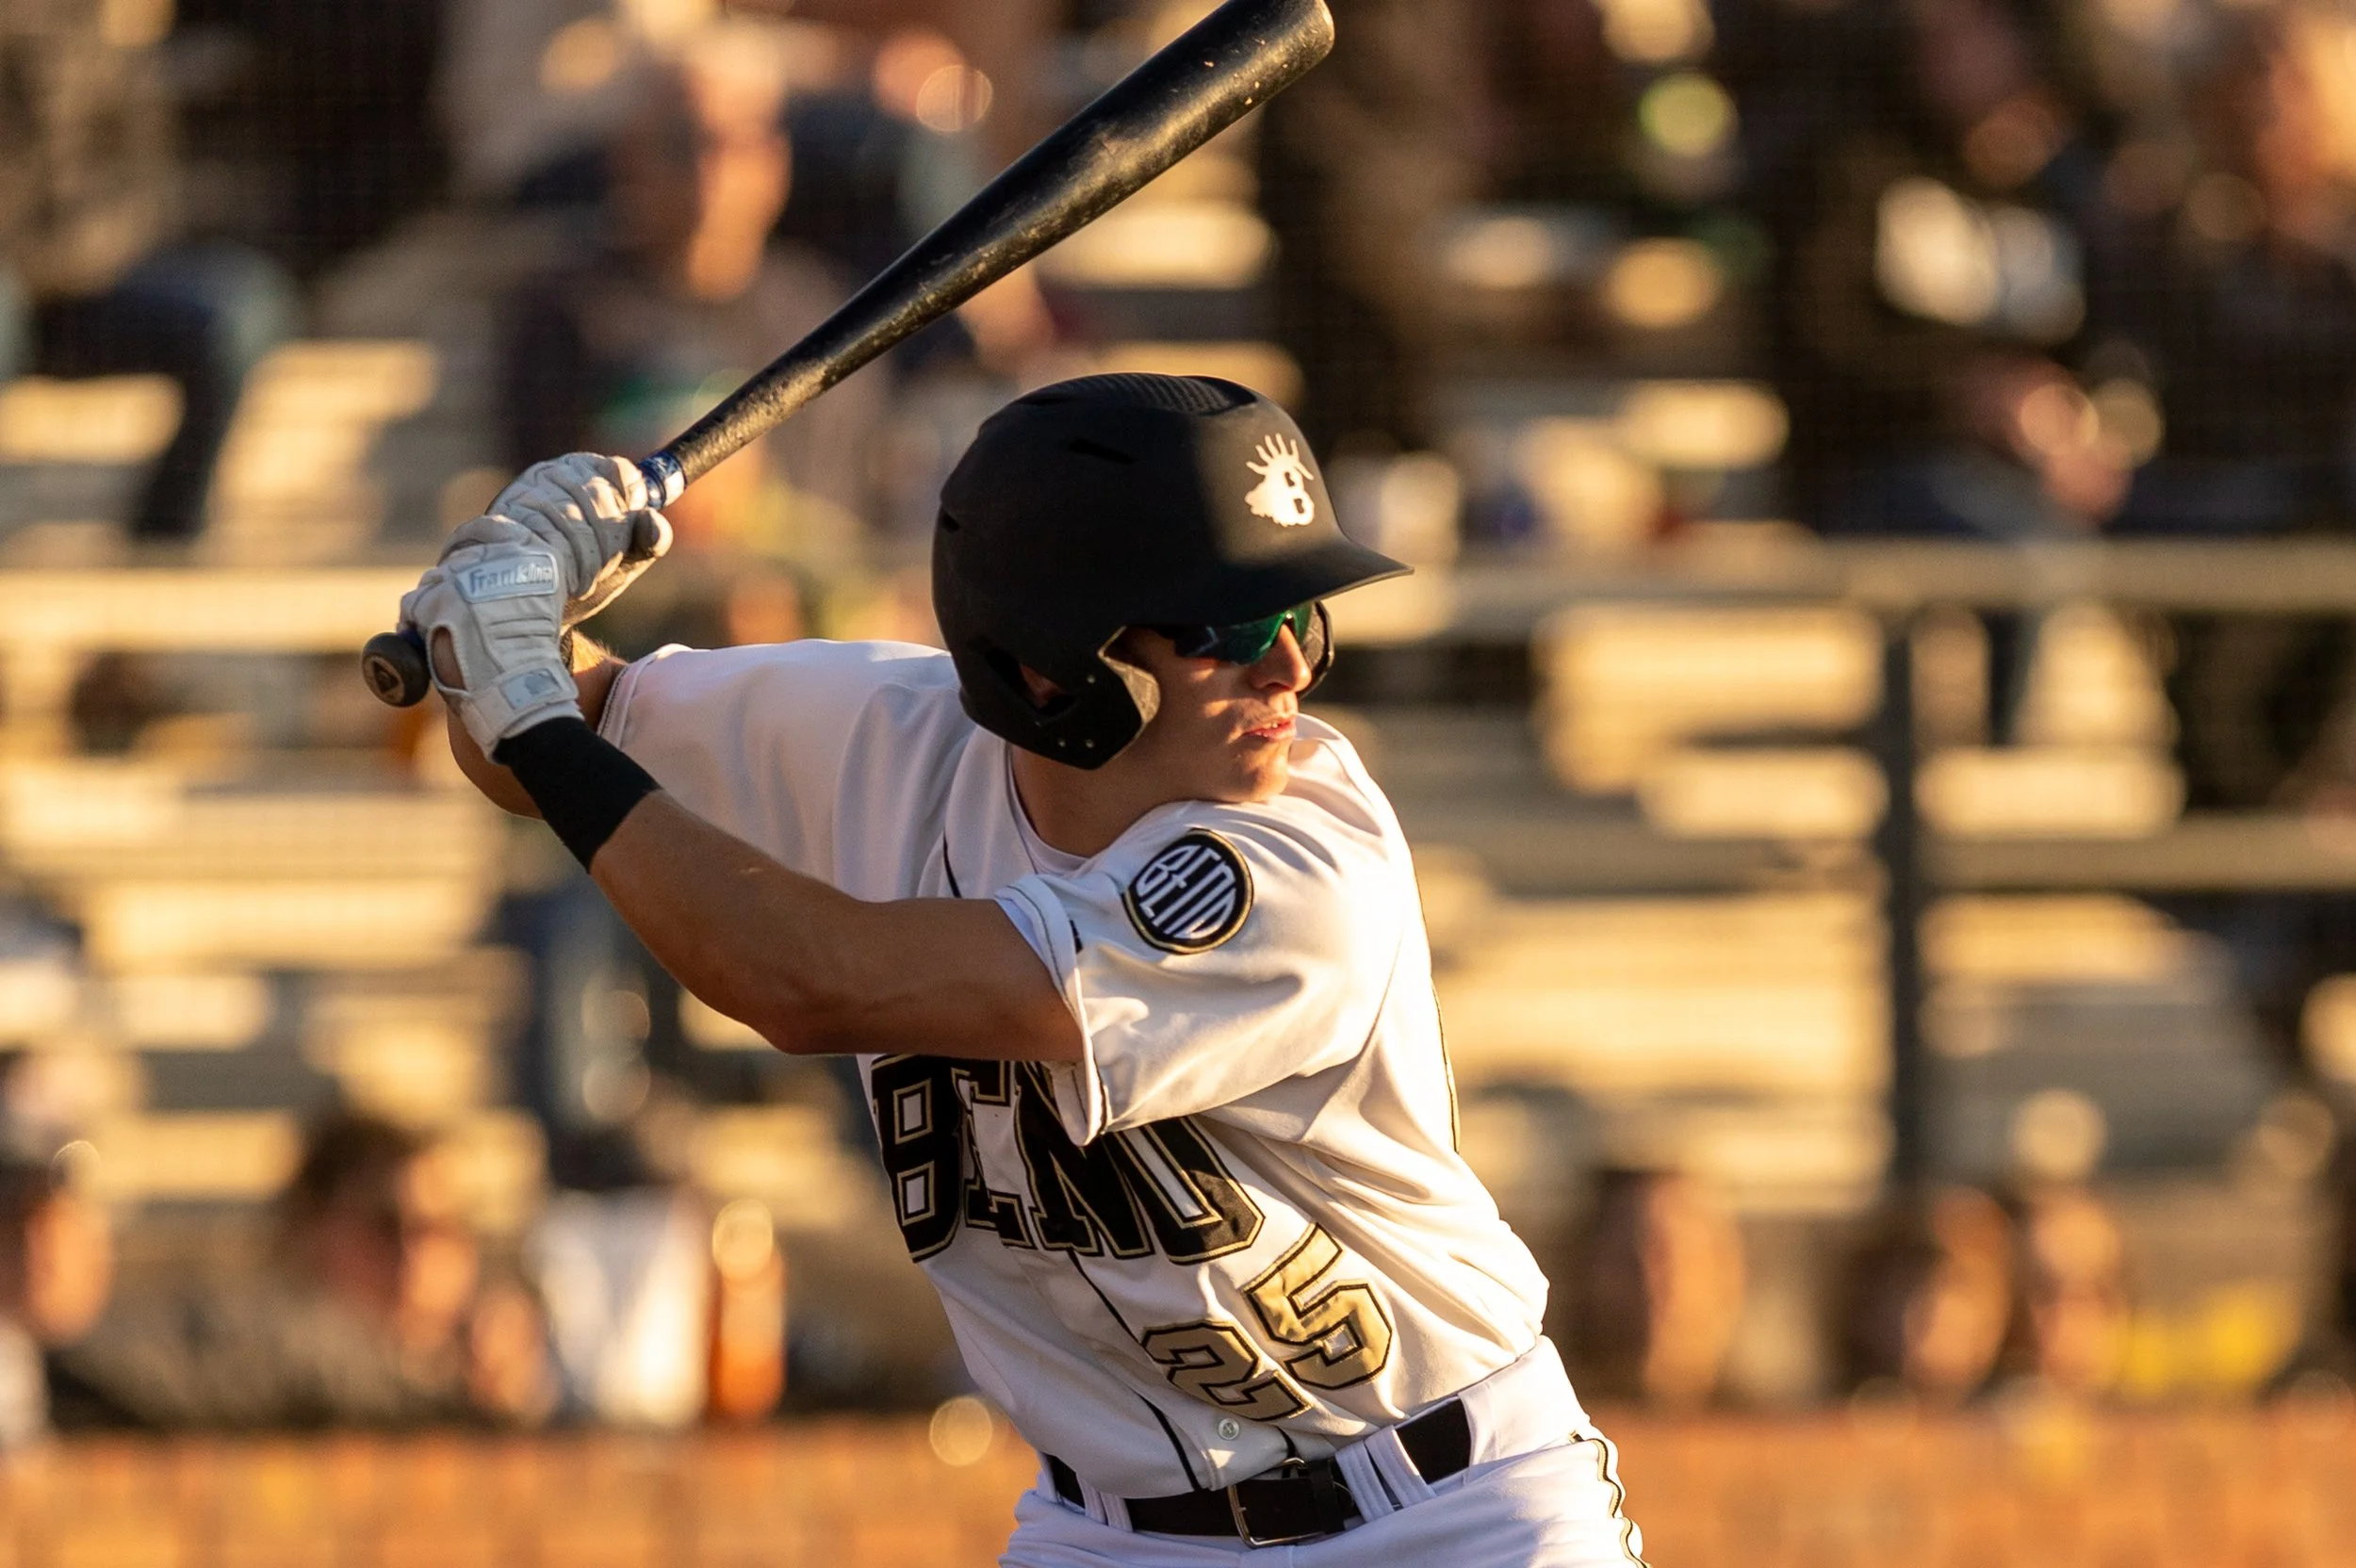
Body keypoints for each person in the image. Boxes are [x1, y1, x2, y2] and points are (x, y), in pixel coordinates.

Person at [400, 374, 1649, 1564]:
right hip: (1112, 1526)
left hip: (1440, 1508)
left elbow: (805, 979)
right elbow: (544, 752)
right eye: (1226, 629)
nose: (1288, 668)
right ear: (1055, 664)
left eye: (1302, 615)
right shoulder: (881, 732)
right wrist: (507, 622)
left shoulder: (1305, 871)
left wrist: (521, 704)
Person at [49, 1113, 550, 1430]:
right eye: (385, 1226)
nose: (415, 1256)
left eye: (441, 1228)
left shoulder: (508, 1363)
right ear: (309, 1232)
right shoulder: (244, 1339)